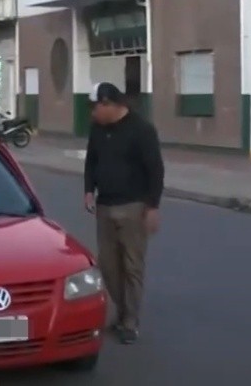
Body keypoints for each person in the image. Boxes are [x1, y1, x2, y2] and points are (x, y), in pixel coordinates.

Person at [82, 81, 164, 345]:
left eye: (95, 107)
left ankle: (130, 321)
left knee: (132, 266)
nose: (92, 113)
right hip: (105, 206)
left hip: (133, 206)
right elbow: (91, 161)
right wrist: (88, 190)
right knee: (108, 265)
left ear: (108, 103)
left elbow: (155, 169)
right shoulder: (98, 129)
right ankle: (122, 310)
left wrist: (152, 206)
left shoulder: (141, 130)